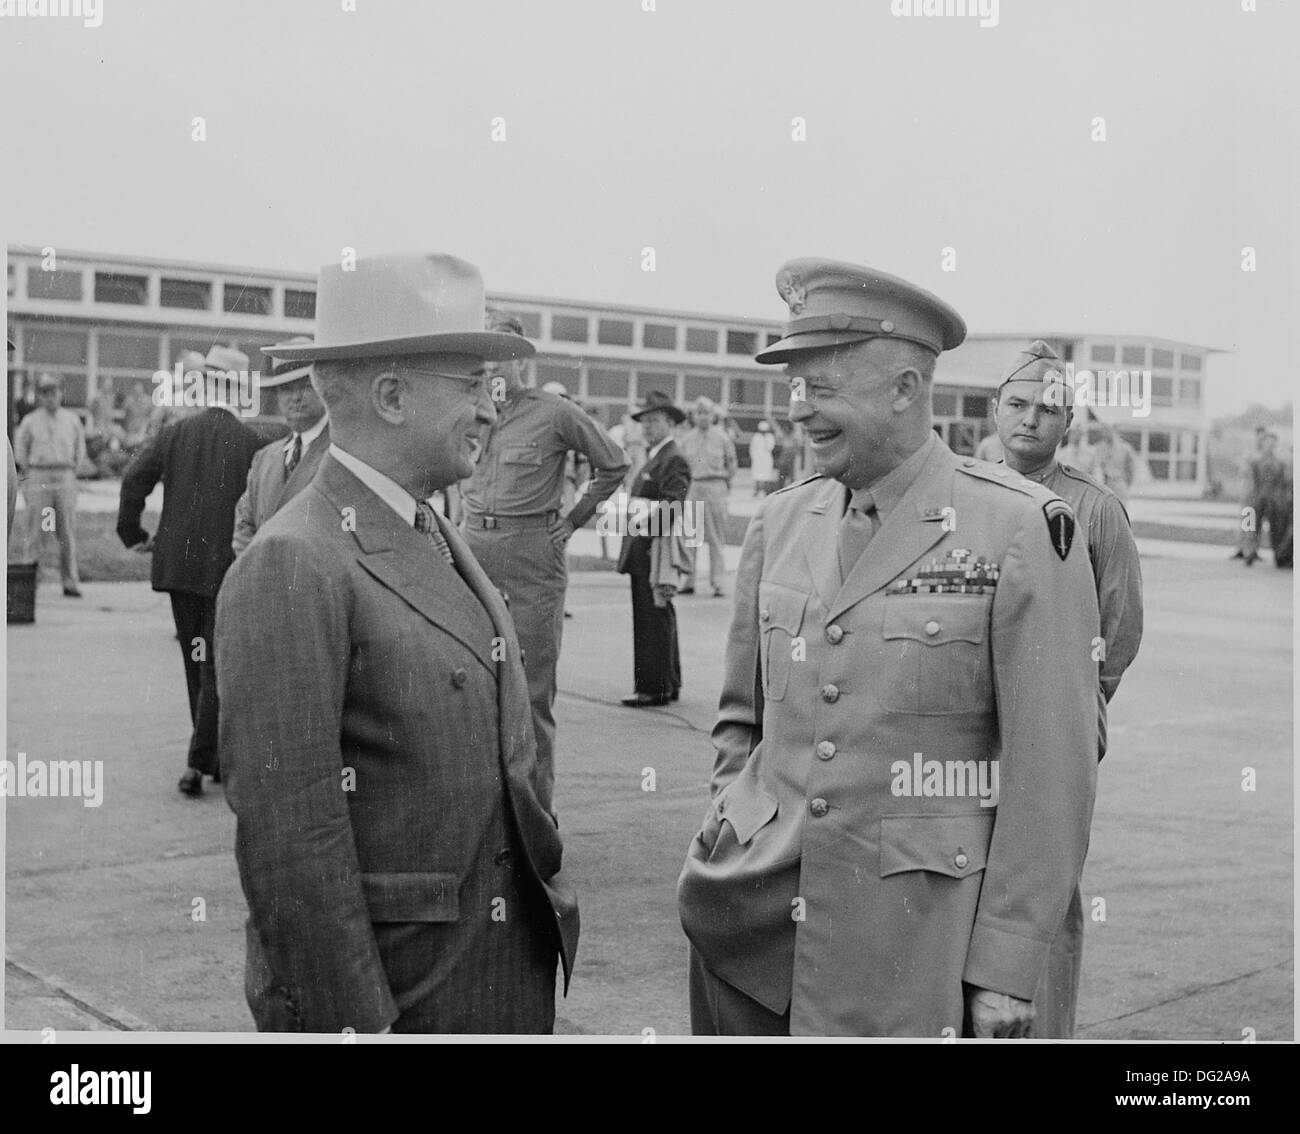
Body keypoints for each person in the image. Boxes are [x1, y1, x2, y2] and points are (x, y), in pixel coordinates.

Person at [677, 258, 1100, 1037]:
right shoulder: (780, 522)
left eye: (822, 389)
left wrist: (1006, 968)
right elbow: (742, 720)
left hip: (915, 953)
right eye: (795, 389)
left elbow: (1052, 774)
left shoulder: (1017, 530)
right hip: (749, 940)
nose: (799, 412)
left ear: (905, 389)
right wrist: (731, 816)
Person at [215, 252, 577, 1033]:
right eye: (472, 387)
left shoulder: (432, 528)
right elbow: (293, 845)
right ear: (390, 395)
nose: (492, 408)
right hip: (406, 1000)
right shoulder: (295, 562)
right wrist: (358, 1026)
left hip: (490, 980)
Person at [993, 339, 1145, 1037]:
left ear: (1069, 423)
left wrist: (1075, 707)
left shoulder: (1095, 508)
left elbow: (1119, 629)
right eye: (1016, 405)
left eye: (1046, 410)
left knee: (1045, 889)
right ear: (994, 412)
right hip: (973, 723)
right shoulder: (965, 493)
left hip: (1058, 723)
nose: (1029, 420)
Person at [460, 310, 628, 811]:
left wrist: (574, 519)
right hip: (472, 551)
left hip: (533, 554)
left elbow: (613, 462)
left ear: (520, 361)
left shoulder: (554, 412)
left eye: (503, 354)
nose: (492, 365)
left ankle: (535, 818)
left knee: (531, 690)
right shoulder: (464, 408)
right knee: (469, 679)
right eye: (483, 352)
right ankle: (486, 810)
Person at [116, 346, 265, 796]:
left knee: (196, 659)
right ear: (239, 393)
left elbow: (133, 479)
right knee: (218, 663)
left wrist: (132, 533)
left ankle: (203, 758)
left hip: (180, 567)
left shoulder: (175, 435)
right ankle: (203, 761)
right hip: (229, 566)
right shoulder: (254, 443)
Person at [617, 391, 691, 707]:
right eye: (644, 421)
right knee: (659, 615)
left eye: (654, 420)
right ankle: (667, 683)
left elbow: (674, 503)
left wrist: (641, 512)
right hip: (646, 544)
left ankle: (653, 687)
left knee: (651, 617)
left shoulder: (671, 457)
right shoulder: (656, 456)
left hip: (651, 547)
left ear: (670, 423)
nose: (647, 427)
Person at [232, 340, 330, 556]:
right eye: (286, 389)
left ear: (323, 388)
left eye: (305, 386)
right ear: (276, 396)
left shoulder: (341, 452)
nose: (295, 397)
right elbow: (244, 525)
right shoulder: (264, 458)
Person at [14, 373, 87, 597]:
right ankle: (30, 581)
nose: (49, 397)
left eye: (53, 392)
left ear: (60, 394)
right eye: (44, 393)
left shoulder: (72, 420)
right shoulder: (30, 421)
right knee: (35, 529)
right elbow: (20, 451)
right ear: (40, 396)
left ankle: (70, 581)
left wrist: (73, 469)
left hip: (64, 474)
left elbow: (80, 450)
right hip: (39, 474)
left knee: (66, 530)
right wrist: (28, 475)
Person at [679, 396, 736, 597]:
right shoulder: (686, 439)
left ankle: (718, 581)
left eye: (707, 413)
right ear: (693, 416)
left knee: (716, 537)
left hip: (715, 487)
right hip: (694, 486)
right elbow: (681, 467)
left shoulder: (722, 437)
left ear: (713, 416)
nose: (703, 417)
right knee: (691, 536)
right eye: (699, 413)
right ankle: (689, 579)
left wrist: (723, 484)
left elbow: (732, 464)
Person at [1242, 431, 1286, 567]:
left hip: (1273, 501)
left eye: (1273, 443)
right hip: (1256, 499)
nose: (1271, 446)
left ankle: (1278, 555)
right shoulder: (1255, 462)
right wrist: (1250, 498)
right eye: (1268, 443)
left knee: (1276, 529)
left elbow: (1280, 483)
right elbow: (1251, 481)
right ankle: (1250, 553)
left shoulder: (1280, 463)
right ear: (1264, 443)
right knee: (1251, 528)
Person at [749, 420, 777, 496]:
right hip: (758, 458)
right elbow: (752, 448)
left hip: (766, 458)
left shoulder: (770, 437)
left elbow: (770, 447)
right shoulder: (756, 436)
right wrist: (753, 457)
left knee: (767, 475)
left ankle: (766, 491)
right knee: (757, 475)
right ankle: (756, 491)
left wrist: (765, 439)